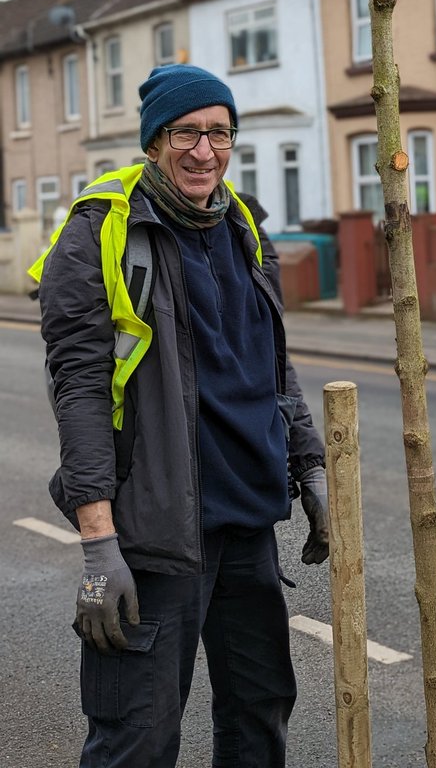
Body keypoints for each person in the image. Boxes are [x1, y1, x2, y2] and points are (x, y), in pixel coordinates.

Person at [31, 63, 329, 768]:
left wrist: (308, 463)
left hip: (248, 522)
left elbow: (271, 362)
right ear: (153, 142)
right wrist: (98, 543)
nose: (204, 151)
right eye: (185, 133)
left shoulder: (243, 222)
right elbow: (80, 391)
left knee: (260, 718)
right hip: (156, 530)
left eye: (219, 133)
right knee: (136, 739)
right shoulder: (101, 232)